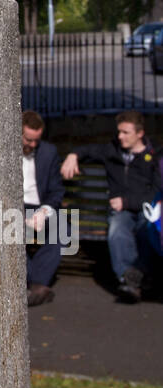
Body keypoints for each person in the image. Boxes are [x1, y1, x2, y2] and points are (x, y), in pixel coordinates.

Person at [61, 112, 159, 303]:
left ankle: (137, 278)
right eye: (119, 132)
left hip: (147, 208)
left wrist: (127, 201)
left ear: (140, 134)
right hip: (121, 211)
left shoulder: (154, 155)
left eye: (125, 132)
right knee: (117, 229)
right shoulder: (112, 150)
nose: (120, 136)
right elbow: (88, 150)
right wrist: (73, 155)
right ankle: (129, 279)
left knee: (148, 231)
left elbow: (157, 191)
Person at [22, 110, 65, 307]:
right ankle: (32, 282)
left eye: (36, 141)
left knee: (63, 230)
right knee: (6, 231)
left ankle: (37, 284)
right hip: (14, 209)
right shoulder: (2, 153)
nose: (32, 145)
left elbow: (56, 191)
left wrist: (43, 212)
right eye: (28, 140)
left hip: (39, 207)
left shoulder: (48, 152)